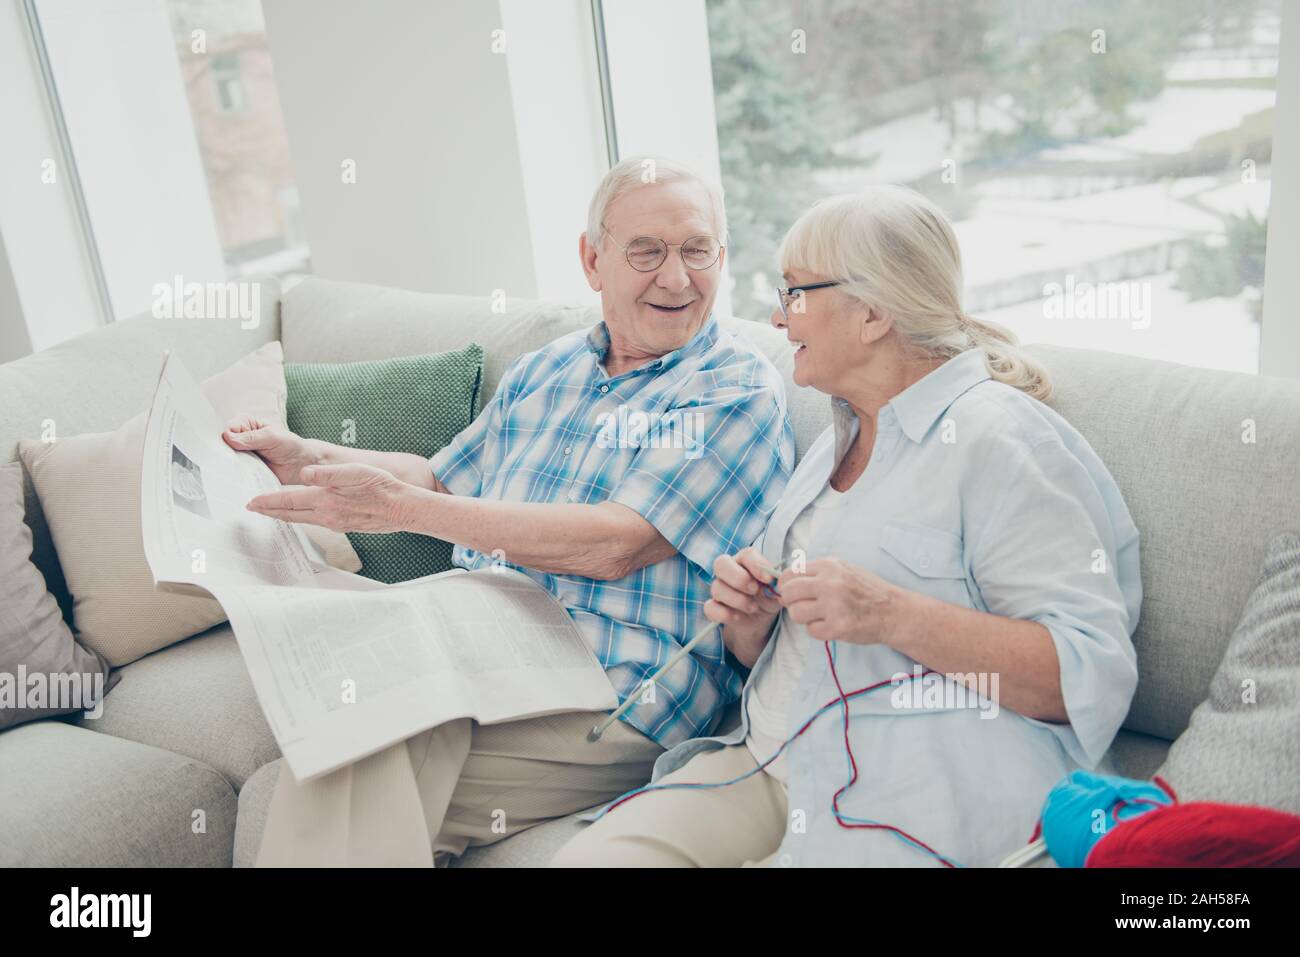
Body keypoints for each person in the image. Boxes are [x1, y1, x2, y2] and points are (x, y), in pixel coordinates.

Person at [227, 156, 796, 866]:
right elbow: (441, 479)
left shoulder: (735, 390)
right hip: (483, 643)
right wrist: (311, 456)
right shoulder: (546, 369)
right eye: (647, 251)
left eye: (696, 249)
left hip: (615, 691)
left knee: (358, 753)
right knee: (345, 750)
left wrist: (406, 509)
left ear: (723, 254)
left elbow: (615, 543)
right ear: (593, 261)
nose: (676, 278)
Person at [552, 184, 1141, 868]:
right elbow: (777, 657)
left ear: (872, 312)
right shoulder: (834, 440)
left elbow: (1086, 678)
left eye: (796, 292)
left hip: (902, 799)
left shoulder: (999, 443)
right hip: (765, 763)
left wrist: (890, 613)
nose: (776, 317)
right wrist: (751, 621)